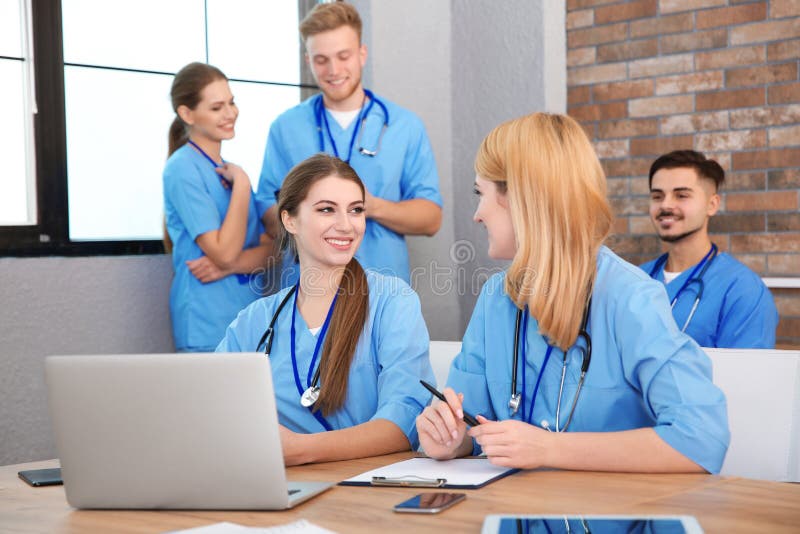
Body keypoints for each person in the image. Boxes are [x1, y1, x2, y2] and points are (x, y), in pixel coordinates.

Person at [416, 113, 730, 474]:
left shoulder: (629, 297)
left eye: (480, 194)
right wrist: (450, 438)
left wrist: (550, 449)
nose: (477, 215)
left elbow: (702, 439)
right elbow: (467, 421)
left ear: (522, 198)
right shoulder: (495, 298)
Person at [217, 154, 435, 466]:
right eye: (326, 210)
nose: (346, 226)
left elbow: (405, 422)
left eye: (356, 210)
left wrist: (299, 449)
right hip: (280, 489)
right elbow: (212, 408)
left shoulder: (392, 302)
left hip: (367, 492)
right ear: (289, 219)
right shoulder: (254, 321)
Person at [256, 1, 442, 285]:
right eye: (321, 60)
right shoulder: (285, 128)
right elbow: (268, 210)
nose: (333, 69)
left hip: (381, 285)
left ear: (361, 54)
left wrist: (371, 206)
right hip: (307, 286)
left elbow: (431, 218)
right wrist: (308, 217)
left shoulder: (404, 126)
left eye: (343, 56)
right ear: (308, 61)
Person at [163, 62, 268, 352]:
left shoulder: (229, 172)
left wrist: (229, 265)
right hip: (206, 322)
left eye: (232, 103)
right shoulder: (182, 169)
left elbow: (271, 252)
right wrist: (243, 187)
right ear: (187, 114)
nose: (230, 113)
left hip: (246, 319)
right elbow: (223, 252)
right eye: (217, 107)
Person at [640, 150, 778, 348]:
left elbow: (748, 375)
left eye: (681, 195)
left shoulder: (743, 290)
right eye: (657, 196)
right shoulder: (637, 278)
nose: (666, 205)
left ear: (711, 205)